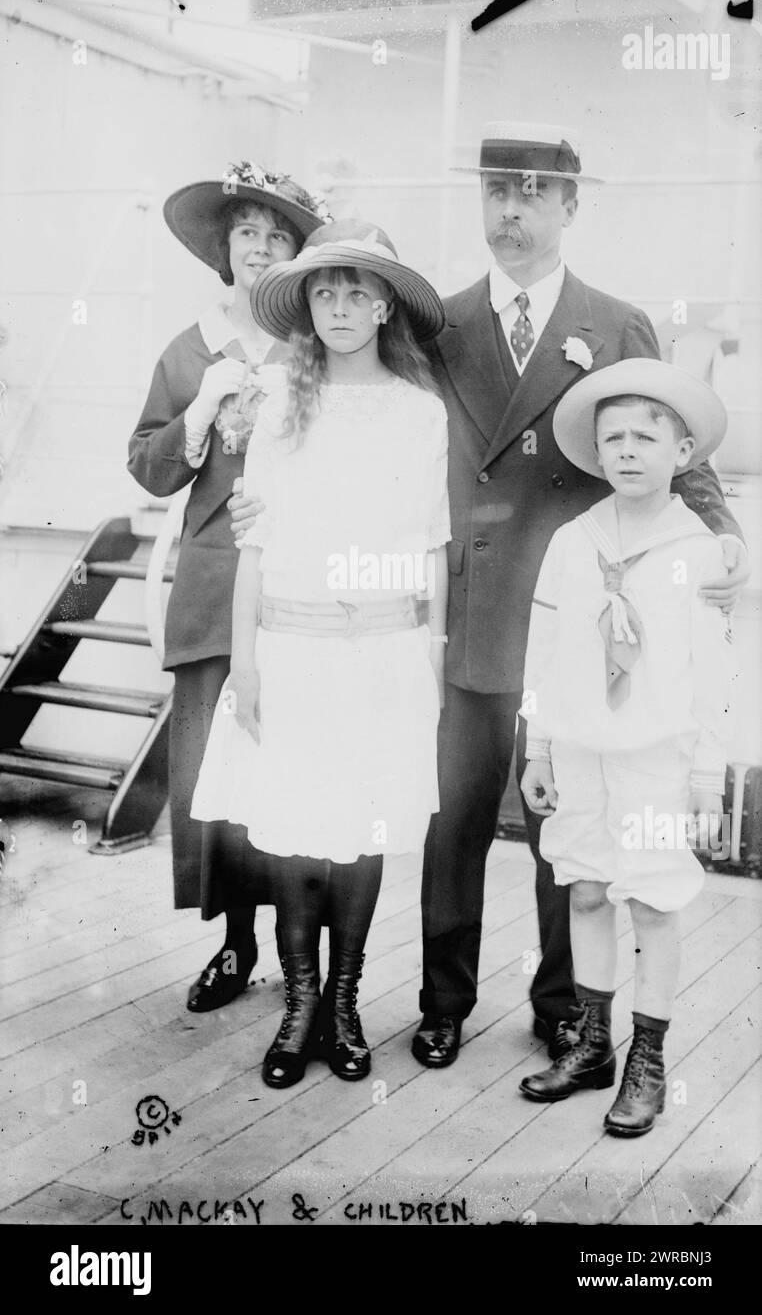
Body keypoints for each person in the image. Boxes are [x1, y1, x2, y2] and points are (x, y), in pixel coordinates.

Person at [408, 120, 748, 1069]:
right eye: (494, 192)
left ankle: (566, 1007)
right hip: (476, 605)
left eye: (529, 194)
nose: (508, 212)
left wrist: (723, 537)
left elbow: (675, 438)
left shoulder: (614, 321)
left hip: (586, 611)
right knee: (458, 813)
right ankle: (444, 1001)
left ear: (569, 205)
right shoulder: (440, 323)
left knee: (575, 814)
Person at [190, 219, 450, 1089]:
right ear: (306, 306)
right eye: (325, 292)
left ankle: (343, 1002)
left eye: (356, 291)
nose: (340, 306)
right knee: (296, 828)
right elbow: (253, 549)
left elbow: (431, 545)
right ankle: (299, 1001)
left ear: (384, 306)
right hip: (290, 643)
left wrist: (433, 658)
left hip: (381, 649)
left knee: (362, 826)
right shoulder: (281, 407)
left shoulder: (419, 412)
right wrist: (247, 662)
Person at [127, 162, 329, 1012]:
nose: (260, 248)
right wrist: (201, 409)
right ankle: (236, 945)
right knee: (220, 779)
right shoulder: (190, 349)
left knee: (300, 771)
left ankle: (309, 967)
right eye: (247, 233)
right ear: (225, 247)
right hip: (214, 591)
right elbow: (148, 466)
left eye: (278, 236)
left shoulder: (321, 344)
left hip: (303, 588)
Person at [517, 358, 734, 1137]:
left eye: (648, 435)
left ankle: (648, 1056)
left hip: (657, 753)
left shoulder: (701, 551)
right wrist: (538, 745)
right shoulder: (573, 542)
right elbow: (543, 650)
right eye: (614, 437)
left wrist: (708, 772)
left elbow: (717, 668)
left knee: (649, 897)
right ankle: (594, 1043)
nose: (629, 450)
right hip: (580, 745)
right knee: (583, 888)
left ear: (681, 453)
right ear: (597, 452)